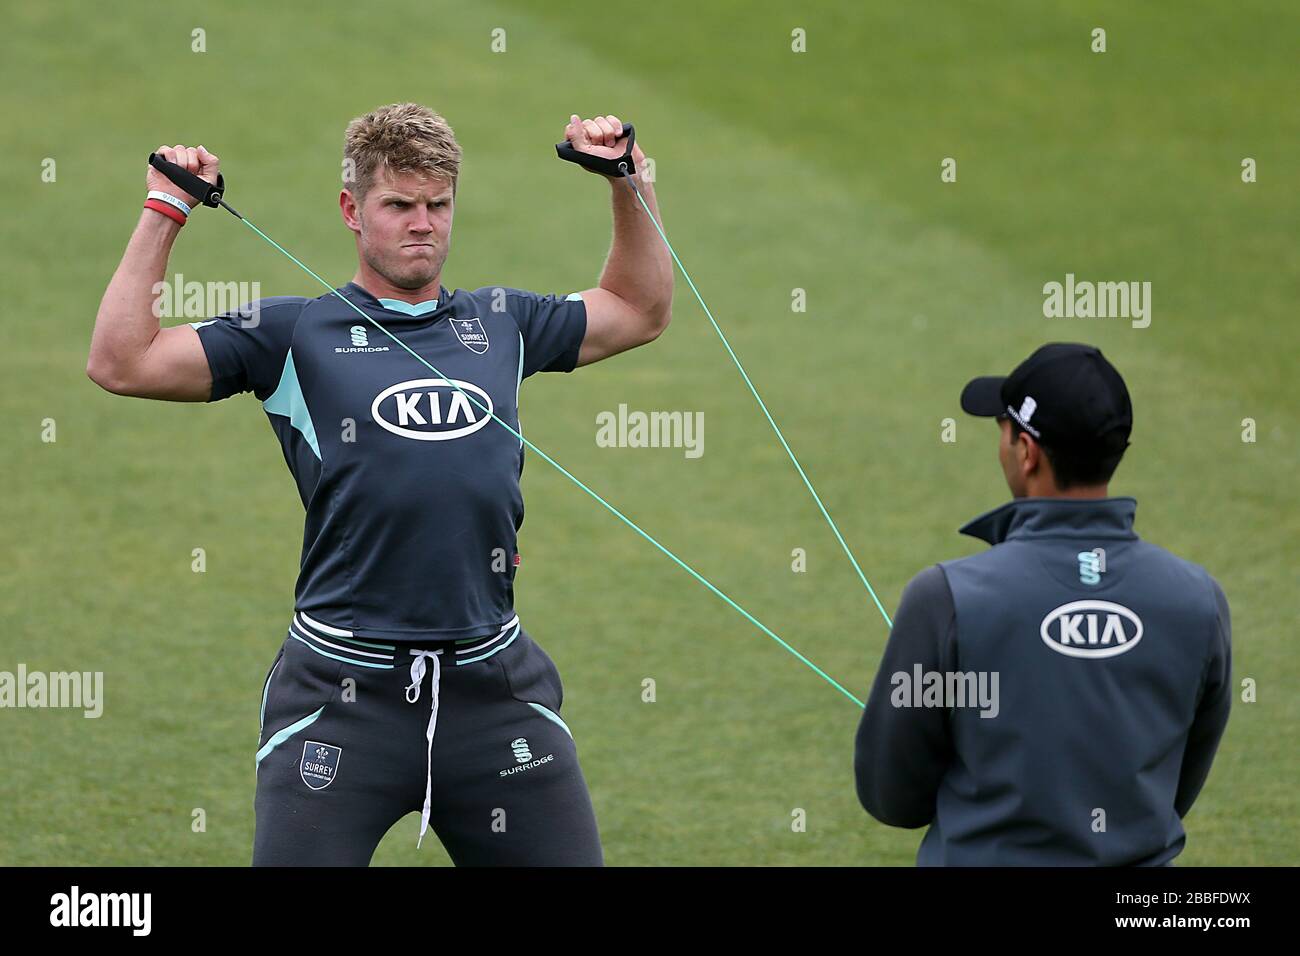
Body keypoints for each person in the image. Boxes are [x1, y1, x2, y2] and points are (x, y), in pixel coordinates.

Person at [87, 104, 673, 866]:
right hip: (338, 701)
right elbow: (120, 361)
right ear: (352, 211)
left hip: (493, 694)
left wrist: (628, 179)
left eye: (437, 205)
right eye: (398, 205)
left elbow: (639, 309)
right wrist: (166, 210)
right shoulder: (292, 334)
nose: (421, 223)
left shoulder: (501, 322)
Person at [853, 343, 1232, 865]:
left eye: (1004, 432)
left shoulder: (945, 599)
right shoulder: (1198, 601)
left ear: (1027, 451)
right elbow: (1175, 787)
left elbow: (890, 795)